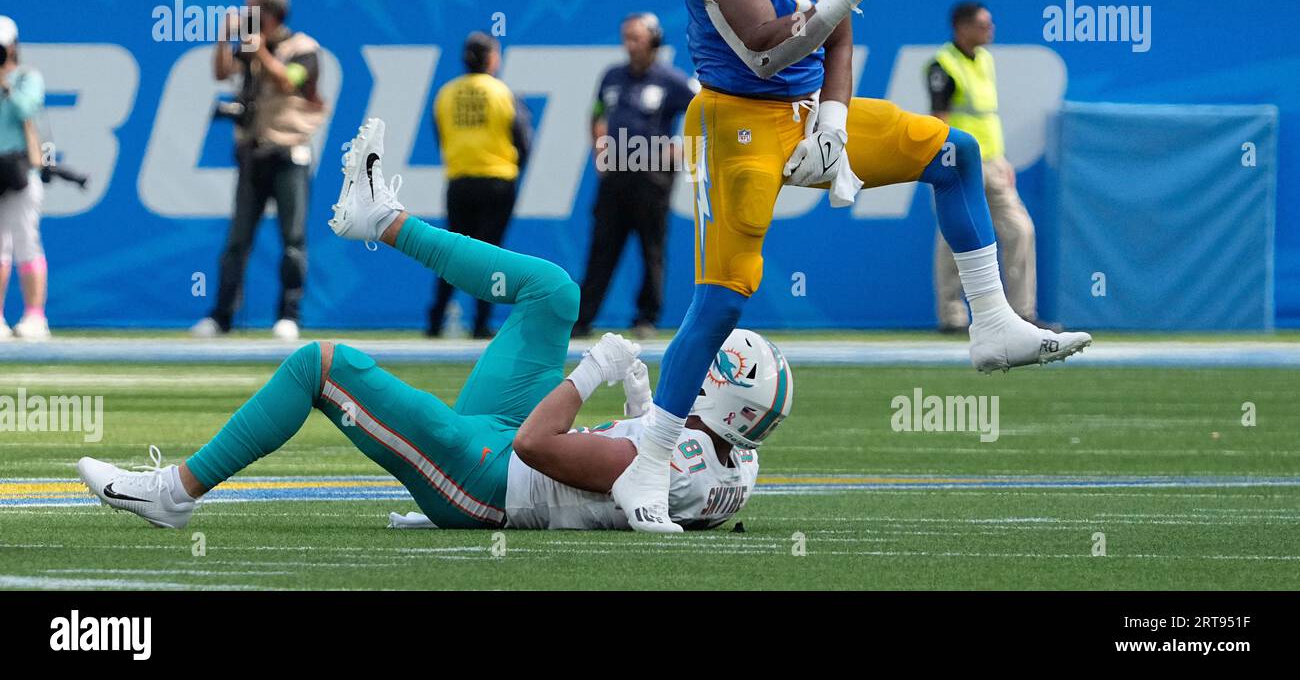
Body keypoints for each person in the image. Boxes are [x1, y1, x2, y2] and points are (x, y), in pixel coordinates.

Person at [610, 0, 1092, 533]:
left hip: (806, 108)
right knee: (724, 294)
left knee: (954, 152)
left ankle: (992, 322)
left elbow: (837, 32)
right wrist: (841, 0)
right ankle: (647, 466)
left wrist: (833, 117)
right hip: (738, 115)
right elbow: (767, 48)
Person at [77, 118, 790, 533]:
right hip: (508, 448)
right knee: (553, 292)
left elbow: (544, 448)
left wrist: (594, 373)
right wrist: (641, 415)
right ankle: (380, 219)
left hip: (491, 479)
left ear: (724, 400)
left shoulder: (687, 462)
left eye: (709, 373)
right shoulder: (730, 459)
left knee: (321, 364)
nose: (695, 374)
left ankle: (174, 493)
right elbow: (639, 470)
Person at [192, 0, 325, 340]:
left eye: (252, 9)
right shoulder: (249, 45)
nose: (246, 14)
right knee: (238, 239)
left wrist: (260, 51)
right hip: (252, 152)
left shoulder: (304, 48)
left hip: (289, 154)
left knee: (292, 238)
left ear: (271, 13)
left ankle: (289, 315)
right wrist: (224, 39)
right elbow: (221, 73)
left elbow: (288, 82)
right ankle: (221, 316)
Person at [574, 13, 697, 340]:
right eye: (625, 38)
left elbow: (705, 112)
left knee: (651, 248)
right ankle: (582, 320)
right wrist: (598, 148)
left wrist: (684, 149)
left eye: (636, 38)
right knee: (602, 248)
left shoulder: (671, 80)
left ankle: (646, 318)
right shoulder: (612, 76)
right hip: (615, 176)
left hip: (652, 177)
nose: (629, 45)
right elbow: (597, 113)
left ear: (653, 40)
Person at [927, 2, 1039, 331]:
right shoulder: (942, 65)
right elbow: (939, 121)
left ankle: (1022, 315)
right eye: (982, 24)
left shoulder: (986, 60)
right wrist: (946, 166)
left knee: (1020, 230)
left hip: (991, 163)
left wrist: (1002, 159)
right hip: (958, 166)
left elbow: (986, 117)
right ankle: (952, 317)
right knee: (952, 238)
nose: (990, 29)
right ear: (961, 27)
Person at [428, 32, 532, 338]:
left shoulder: (446, 93)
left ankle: (435, 321)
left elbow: (440, 136)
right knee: (490, 255)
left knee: (452, 252)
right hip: (498, 181)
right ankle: (480, 323)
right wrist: (514, 170)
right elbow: (524, 140)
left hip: (459, 181)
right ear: (491, 58)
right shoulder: (503, 93)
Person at [0, 16, 49, 340]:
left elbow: (26, 110)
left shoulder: (27, 78)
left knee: (26, 242)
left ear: (13, 46)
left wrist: (6, 85)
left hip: (18, 171)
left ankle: (35, 316)